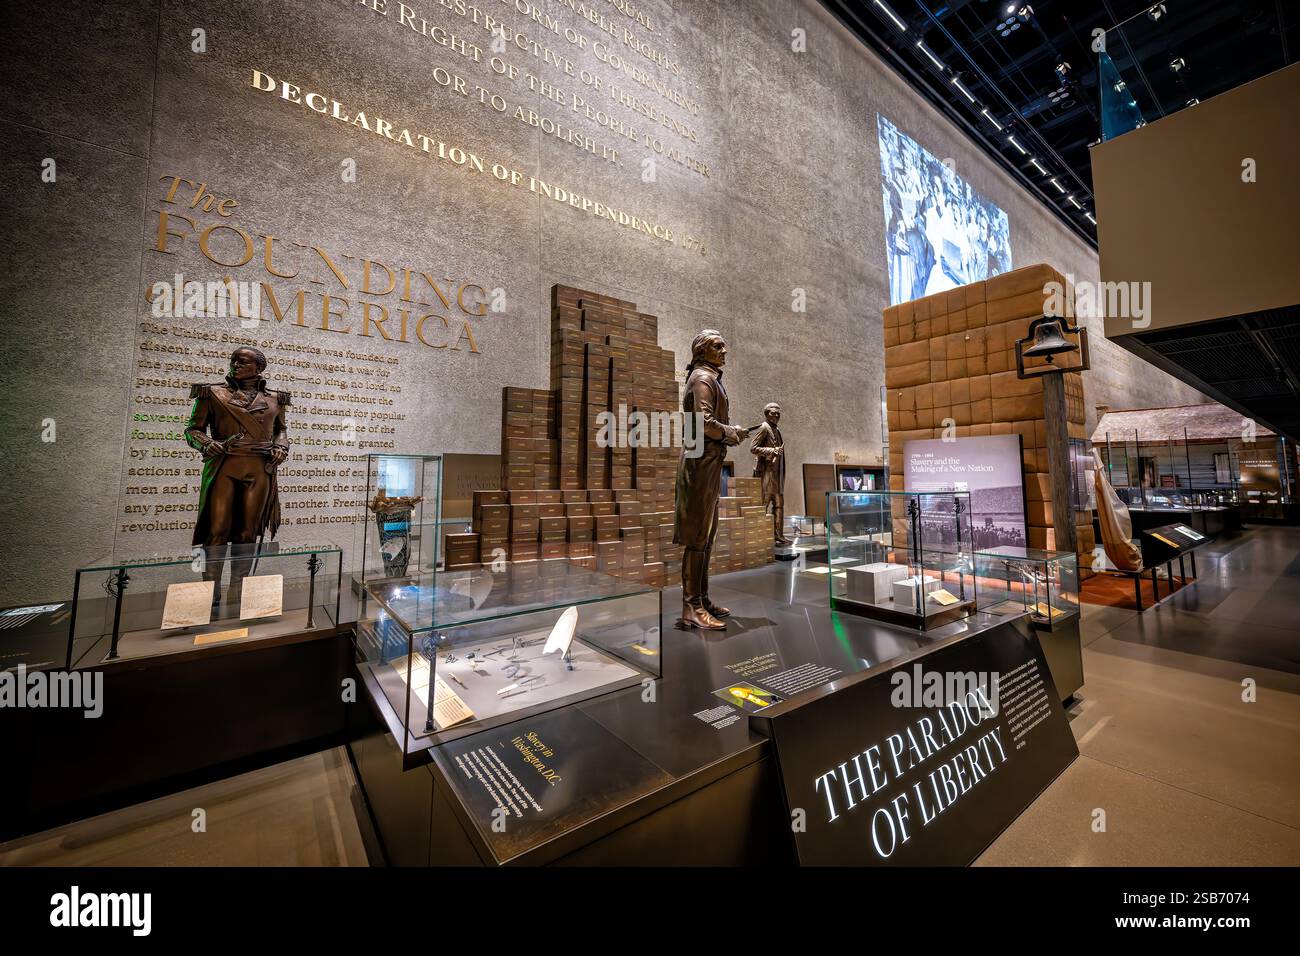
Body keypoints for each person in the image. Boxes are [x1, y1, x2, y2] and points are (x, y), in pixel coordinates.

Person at [185, 347, 290, 609]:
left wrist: (281, 447)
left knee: (247, 532)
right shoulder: (211, 393)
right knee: (216, 530)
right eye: (233, 360)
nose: (235, 365)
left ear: (258, 368)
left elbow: (282, 430)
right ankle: (210, 593)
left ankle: (238, 592)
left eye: (242, 362)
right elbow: (193, 430)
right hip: (224, 467)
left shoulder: (277, 399)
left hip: (259, 470)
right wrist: (207, 444)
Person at [673, 330, 748, 630]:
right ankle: (690, 606)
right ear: (703, 351)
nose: (725, 350)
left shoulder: (710, 378)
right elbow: (703, 423)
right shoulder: (702, 379)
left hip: (707, 464)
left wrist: (731, 432)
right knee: (696, 538)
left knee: (705, 537)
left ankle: (701, 599)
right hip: (698, 466)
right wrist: (731, 432)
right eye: (718, 346)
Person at [749, 402, 789, 545]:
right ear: (766, 414)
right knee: (764, 504)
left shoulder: (776, 430)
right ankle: (761, 536)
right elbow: (753, 448)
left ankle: (778, 535)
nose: (776, 415)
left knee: (779, 504)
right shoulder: (764, 428)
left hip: (776, 474)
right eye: (773, 413)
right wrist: (772, 451)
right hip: (766, 474)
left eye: (778, 413)